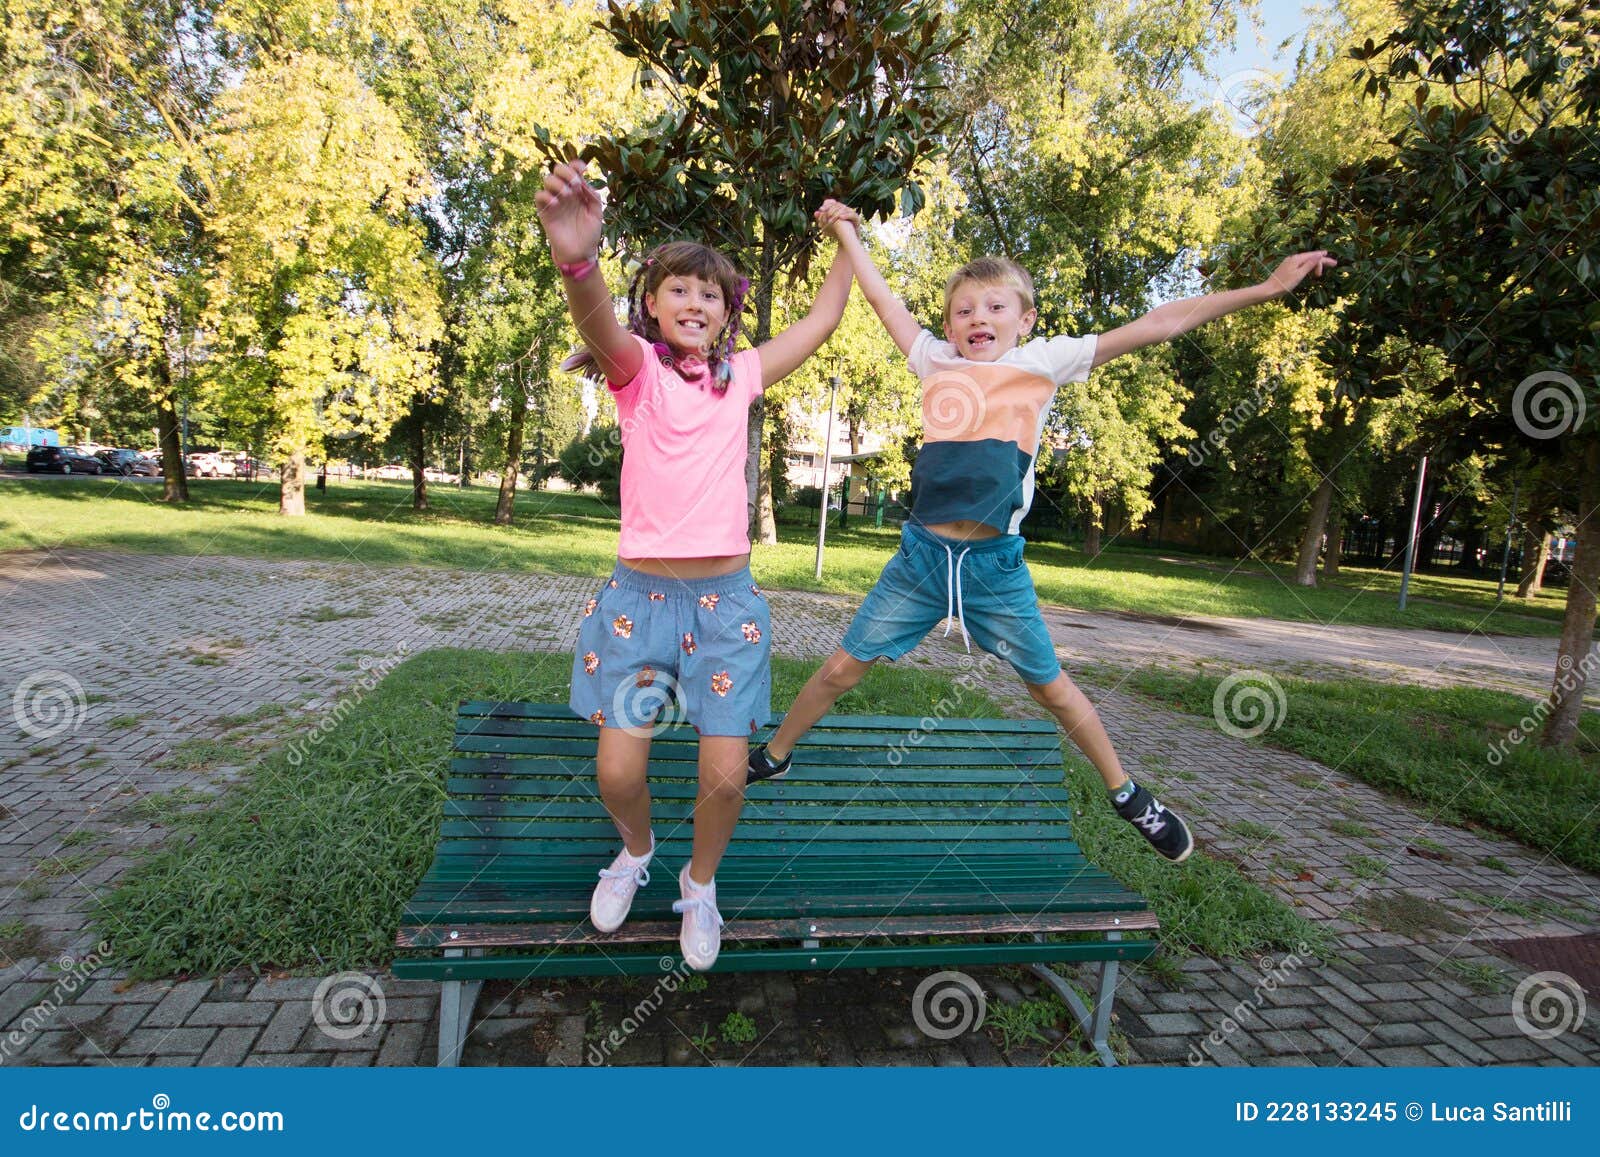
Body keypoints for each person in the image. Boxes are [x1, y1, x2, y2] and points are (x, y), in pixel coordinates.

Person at [749, 198, 1337, 863]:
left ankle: (1128, 794)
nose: (979, 319)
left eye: (997, 307)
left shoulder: (1044, 362)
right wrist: (847, 232)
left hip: (995, 566)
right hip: (920, 560)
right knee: (838, 668)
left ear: (1026, 320)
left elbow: (1160, 323)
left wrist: (1267, 288)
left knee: (1050, 686)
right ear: (947, 322)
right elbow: (883, 300)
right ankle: (774, 756)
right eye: (965, 309)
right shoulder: (933, 360)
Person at [537, 162, 855, 967]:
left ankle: (700, 883)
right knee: (617, 771)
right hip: (638, 603)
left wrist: (847, 244)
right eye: (677, 290)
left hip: (725, 605)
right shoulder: (636, 375)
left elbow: (819, 324)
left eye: (709, 295)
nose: (693, 303)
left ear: (726, 312)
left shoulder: (739, 376)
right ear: (652, 302)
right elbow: (597, 319)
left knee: (724, 776)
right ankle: (637, 852)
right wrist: (578, 261)